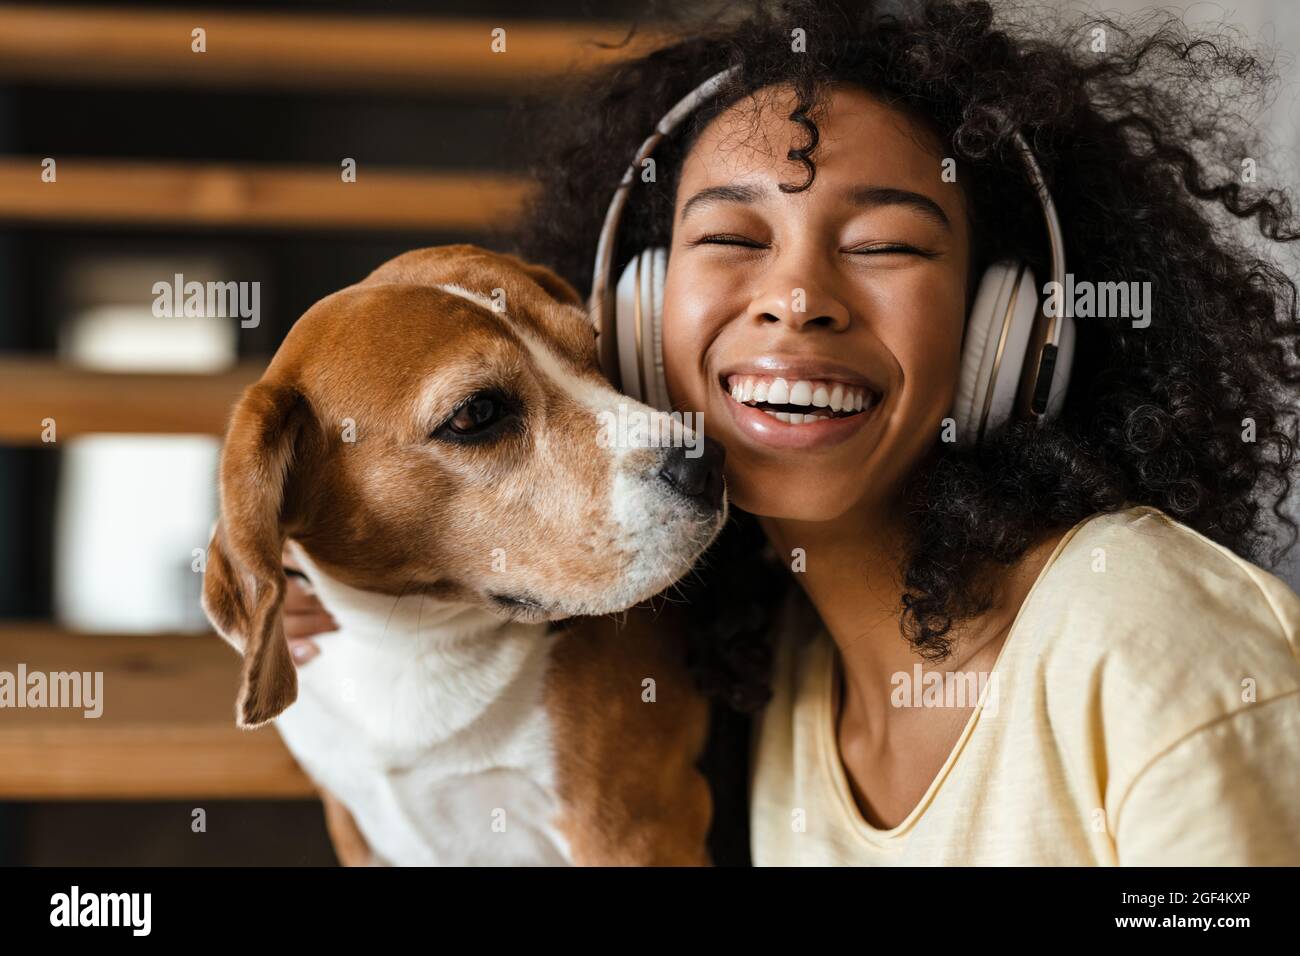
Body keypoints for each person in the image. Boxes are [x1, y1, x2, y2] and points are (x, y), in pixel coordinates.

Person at [282, 0, 1300, 864]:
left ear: (1005, 328)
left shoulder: (1142, 632)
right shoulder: (784, 664)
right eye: (730, 238)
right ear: (634, 319)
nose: (797, 298)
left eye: (884, 243)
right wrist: (335, 586)